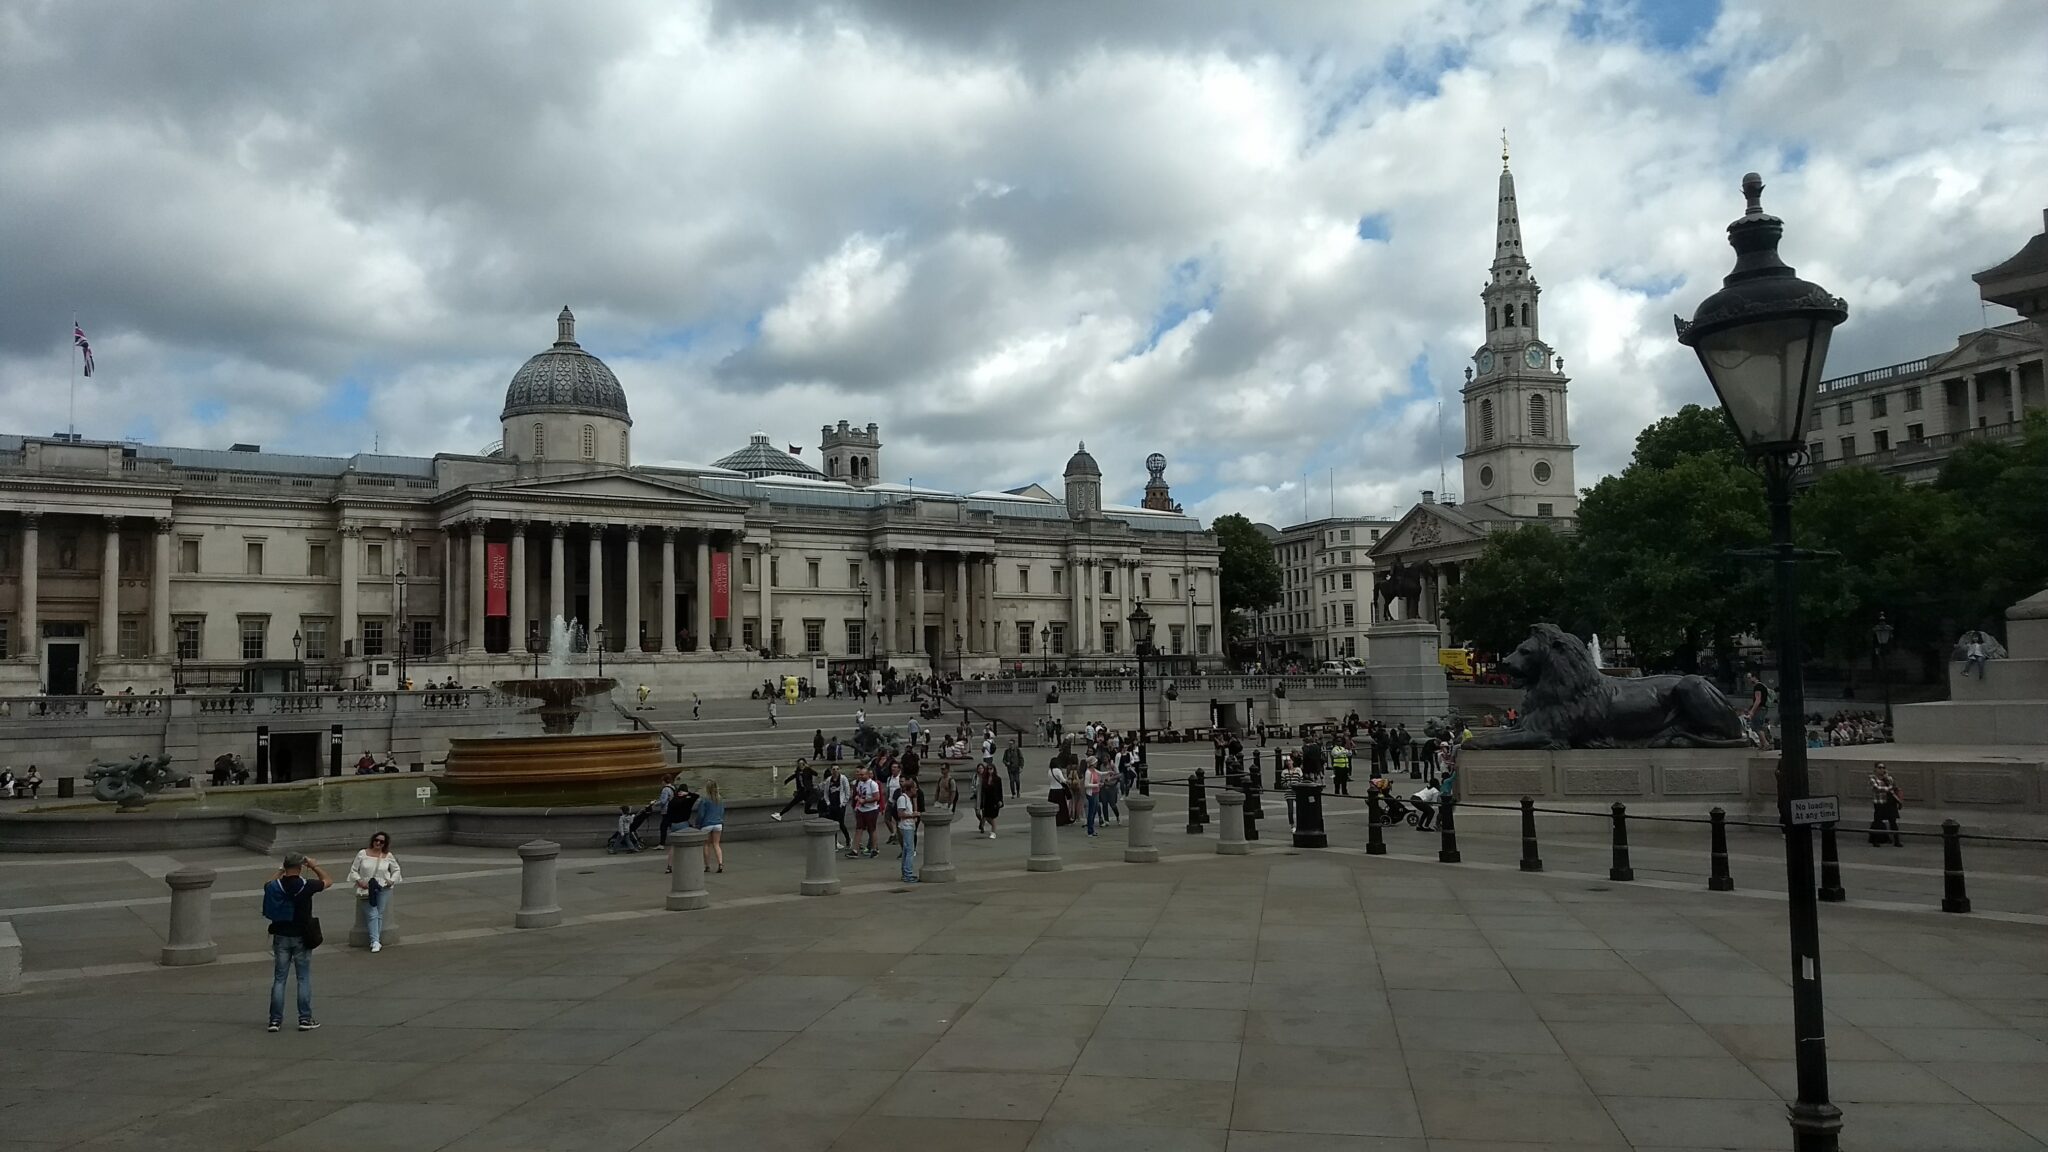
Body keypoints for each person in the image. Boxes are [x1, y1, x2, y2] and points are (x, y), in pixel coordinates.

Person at [262, 852, 331, 1031]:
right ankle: (304, 1019)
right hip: (302, 936)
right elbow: (328, 881)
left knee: (279, 979)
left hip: (281, 936)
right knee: (303, 978)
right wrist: (314, 866)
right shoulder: (305, 885)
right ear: (300, 867)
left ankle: (275, 1021)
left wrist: (279, 871)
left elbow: (267, 885)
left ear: (285, 866)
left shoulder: (275, 886)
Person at [346, 831, 402, 953]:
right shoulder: (362, 853)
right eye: (376, 840)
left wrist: (392, 880)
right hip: (366, 887)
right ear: (372, 840)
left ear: (385, 844)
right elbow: (353, 870)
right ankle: (375, 941)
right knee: (372, 913)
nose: (378, 843)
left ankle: (375, 940)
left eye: (381, 842)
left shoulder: (388, 856)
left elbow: (396, 870)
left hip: (383, 887)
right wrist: (359, 881)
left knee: (379, 914)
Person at [692, 780, 727, 873]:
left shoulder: (704, 800)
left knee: (706, 845)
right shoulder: (720, 798)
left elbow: (701, 814)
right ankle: (720, 863)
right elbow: (722, 812)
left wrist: (698, 823)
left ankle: (707, 866)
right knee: (716, 844)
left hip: (707, 824)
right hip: (718, 823)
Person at [896, 771, 923, 883]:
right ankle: (908, 873)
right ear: (910, 789)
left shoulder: (908, 799)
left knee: (907, 851)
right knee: (909, 851)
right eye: (914, 788)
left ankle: (906, 872)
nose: (916, 790)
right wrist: (913, 815)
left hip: (908, 826)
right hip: (906, 827)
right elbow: (900, 814)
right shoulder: (903, 799)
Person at [1869, 763, 1905, 847]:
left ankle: (1897, 841)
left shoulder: (1889, 778)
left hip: (1890, 803)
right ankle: (1875, 841)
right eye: (1880, 767)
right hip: (1879, 803)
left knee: (1893, 822)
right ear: (1875, 769)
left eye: (1883, 768)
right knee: (1877, 822)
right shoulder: (1872, 778)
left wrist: (1886, 779)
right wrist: (1889, 788)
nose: (1882, 769)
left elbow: (1894, 787)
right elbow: (1876, 788)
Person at [851, 765, 882, 859]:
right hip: (861, 809)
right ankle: (854, 850)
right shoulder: (860, 783)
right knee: (858, 829)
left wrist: (865, 801)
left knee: (872, 829)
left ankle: (874, 849)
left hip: (871, 809)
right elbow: (859, 793)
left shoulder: (873, 784)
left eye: (862, 775)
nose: (860, 776)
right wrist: (857, 797)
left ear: (868, 775)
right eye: (859, 774)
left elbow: (877, 797)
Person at [820, 763, 852, 850]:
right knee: (833, 824)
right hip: (832, 805)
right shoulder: (828, 780)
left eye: (837, 769)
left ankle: (848, 839)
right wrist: (828, 803)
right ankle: (834, 843)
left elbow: (847, 791)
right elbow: (826, 792)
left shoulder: (843, 779)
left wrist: (844, 803)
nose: (835, 771)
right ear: (831, 770)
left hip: (840, 804)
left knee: (841, 823)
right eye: (834, 769)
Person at [975, 759, 1003, 838]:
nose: (989, 770)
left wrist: (1000, 800)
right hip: (987, 800)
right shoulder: (985, 779)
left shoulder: (997, 779)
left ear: (994, 770)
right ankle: (994, 827)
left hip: (995, 800)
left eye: (991, 769)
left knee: (992, 816)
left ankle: (993, 832)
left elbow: (1000, 790)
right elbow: (982, 790)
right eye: (988, 769)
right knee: (986, 816)